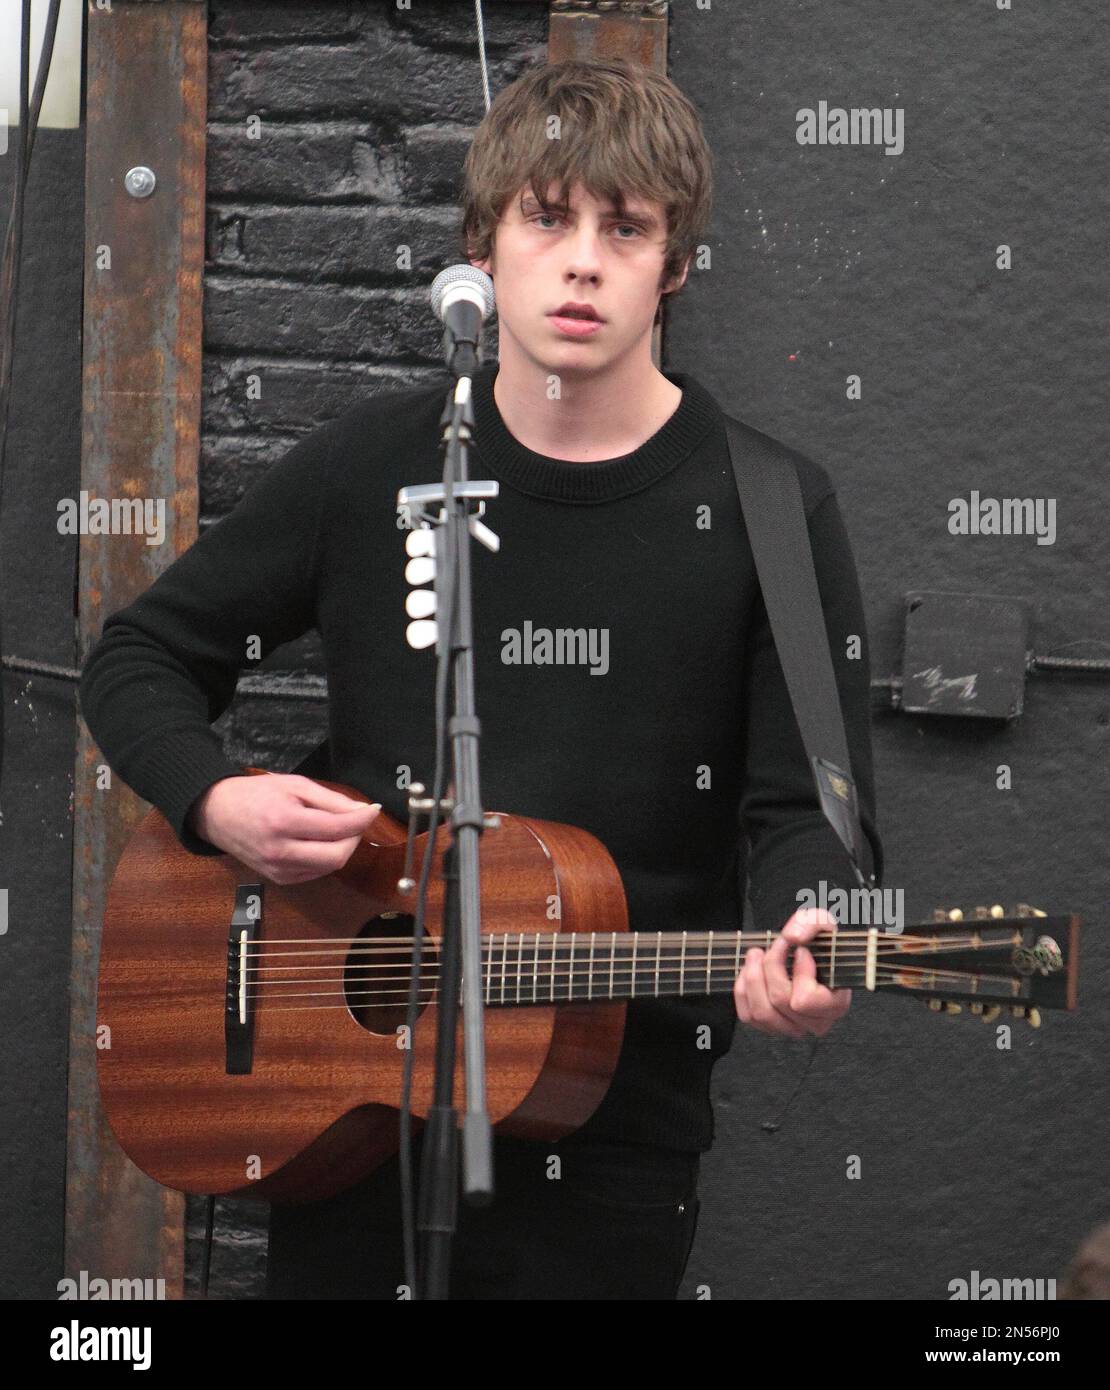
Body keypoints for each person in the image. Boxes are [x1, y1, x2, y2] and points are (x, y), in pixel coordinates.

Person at [79, 58, 883, 1300]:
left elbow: (803, 813)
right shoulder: (372, 466)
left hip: (610, 1128)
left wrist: (816, 930)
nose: (581, 263)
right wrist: (216, 801)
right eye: (547, 217)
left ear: (672, 267)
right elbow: (138, 657)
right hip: (347, 1115)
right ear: (482, 244)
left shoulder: (770, 505)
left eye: (626, 229)